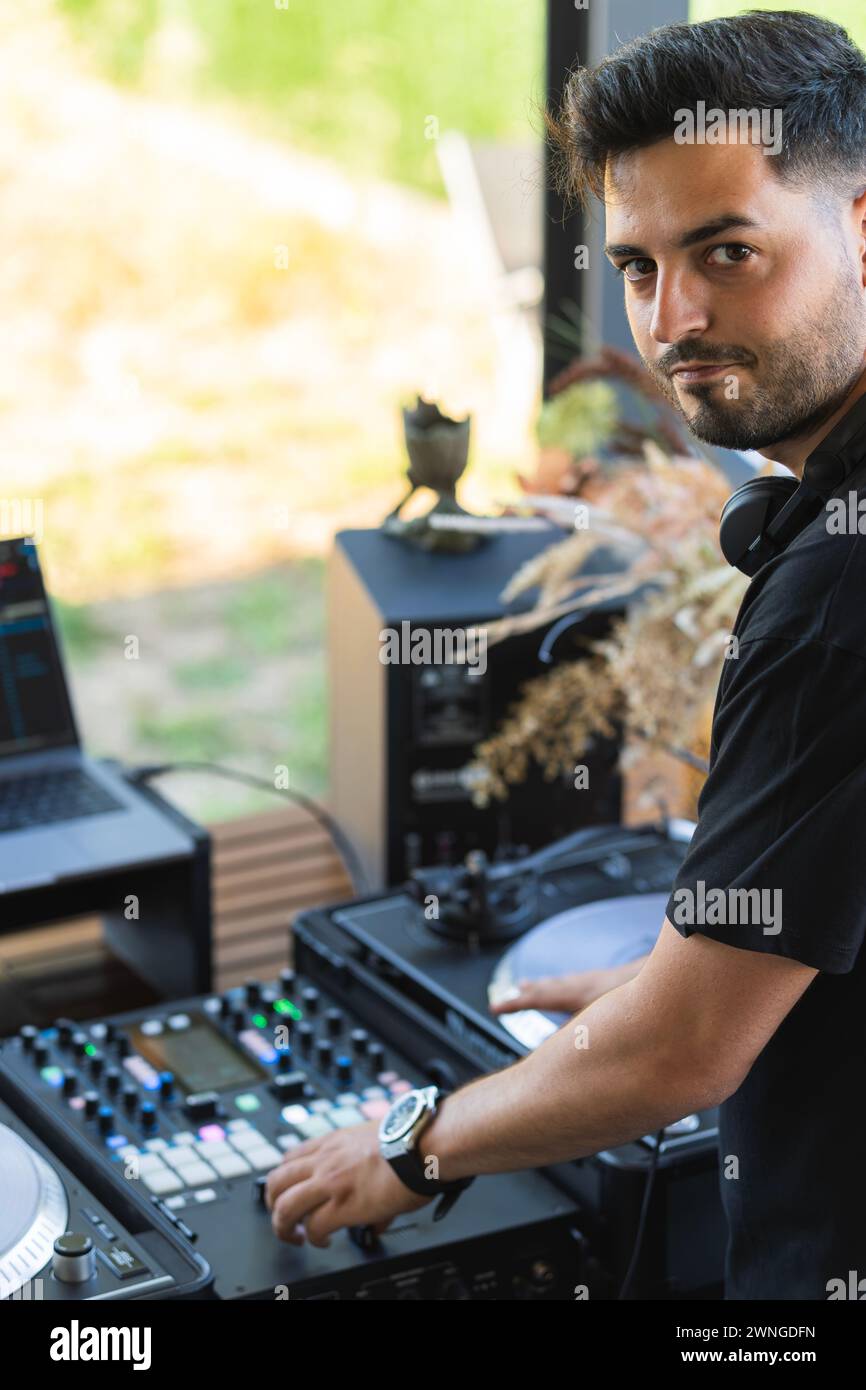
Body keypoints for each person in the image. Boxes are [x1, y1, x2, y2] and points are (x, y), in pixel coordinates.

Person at [266, 10, 866, 1299]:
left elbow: (681, 1059)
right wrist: (694, 964)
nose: (675, 321)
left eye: (730, 252)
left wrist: (414, 1148)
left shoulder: (835, 594)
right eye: (639, 267)